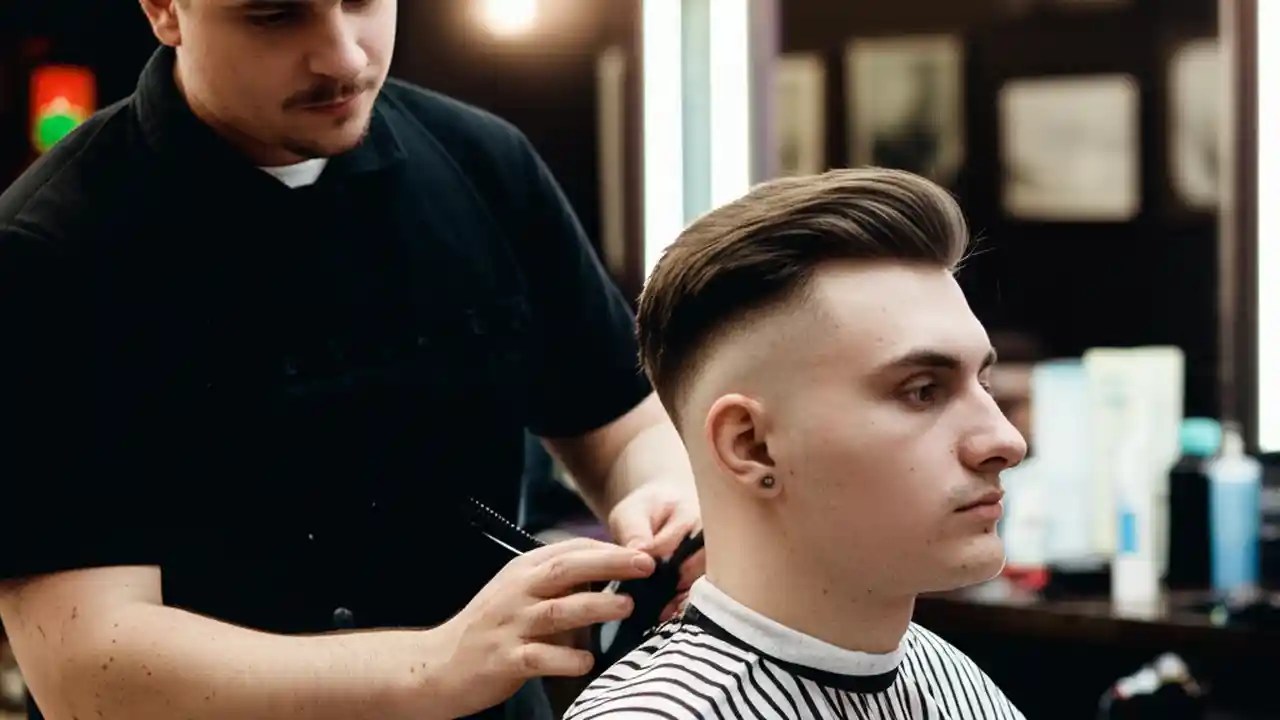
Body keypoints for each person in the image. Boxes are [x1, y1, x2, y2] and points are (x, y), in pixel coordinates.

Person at [0, 1, 702, 719]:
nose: (343, 57)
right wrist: (431, 667)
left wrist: (663, 502)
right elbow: (87, 672)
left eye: (363, 1)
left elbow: (625, 428)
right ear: (164, 10)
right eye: (275, 16)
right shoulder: (48, 252)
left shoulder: (485, 164)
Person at [563, 168, 1029, 719]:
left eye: (984, 383)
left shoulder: (958, 685)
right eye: (923, 391)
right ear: (752, 445)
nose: (1005, 440)